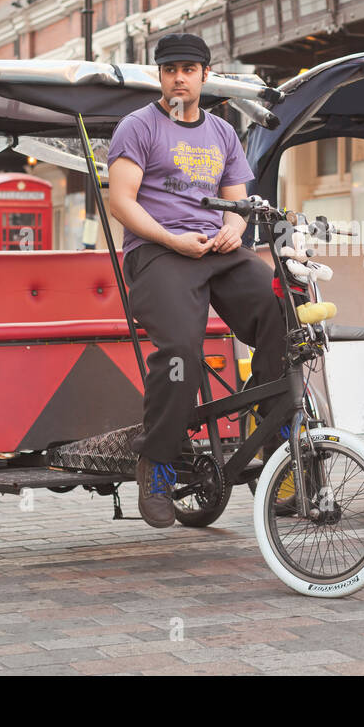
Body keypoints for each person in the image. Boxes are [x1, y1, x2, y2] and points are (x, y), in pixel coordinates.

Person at [105, 32, 286, 528]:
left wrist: (233, 228)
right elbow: (121, 202)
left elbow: (239, 203)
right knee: (182, 353)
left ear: (206, 75)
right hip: (158, 253)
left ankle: (271, 424)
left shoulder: (223, 133)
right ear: (160, 77)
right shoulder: (137, 127)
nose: (179, 77)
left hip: (217, 251)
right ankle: (158, 460)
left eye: (188, 69)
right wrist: (170, 238)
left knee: (283, 313)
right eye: (169, 70)